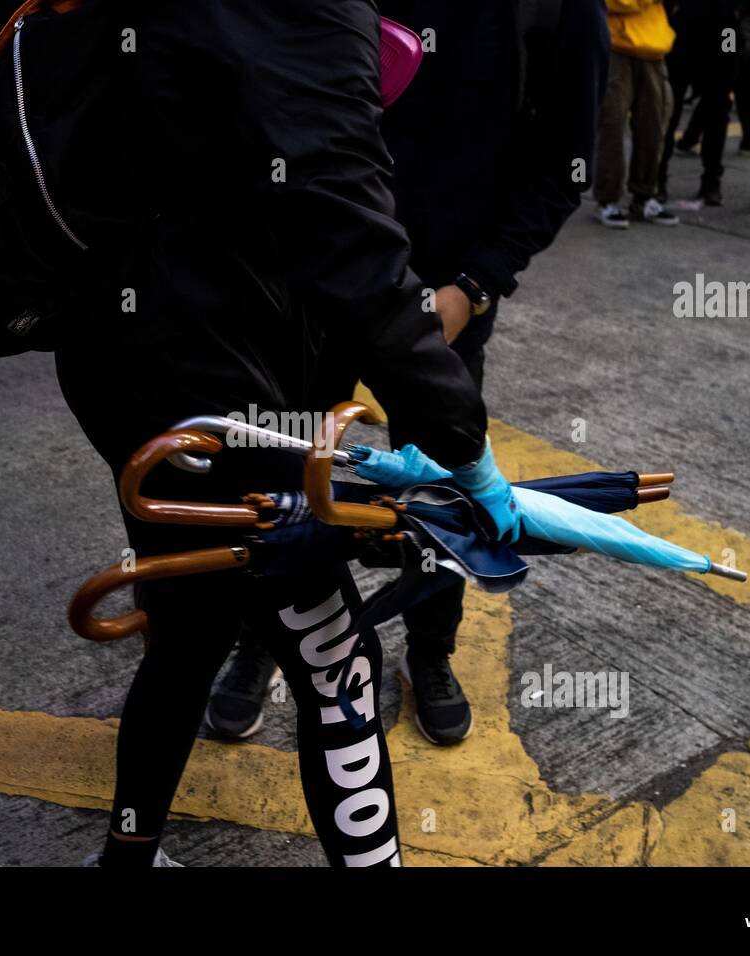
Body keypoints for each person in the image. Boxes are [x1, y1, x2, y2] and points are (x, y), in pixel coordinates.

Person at [45, 0, 523, 866]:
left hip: (135, 382)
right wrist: (466, 452)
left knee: (187, 634)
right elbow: (363, 262)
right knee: (337, 663)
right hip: (232, 409)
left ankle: (127, 857)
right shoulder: (308, 18)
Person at [207, 0, 610, 747]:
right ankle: (263, 637)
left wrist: (477, 283)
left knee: (442, 485)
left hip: (445, 300)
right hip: (308, 281)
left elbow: (563, 166)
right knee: (286, 469)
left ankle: (430, 650)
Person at [659, 0, 750, 208]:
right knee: (670, 105)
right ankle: (658, 177)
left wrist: (739, 10)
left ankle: (711, 179)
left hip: (726, 30)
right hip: (686, 25)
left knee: (719, 103)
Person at [594, 0, 680, 227]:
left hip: (653, 49)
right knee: (612, 123)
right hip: (616, 47)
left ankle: (644, 195)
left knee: (653, 125)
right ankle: (607, 199)